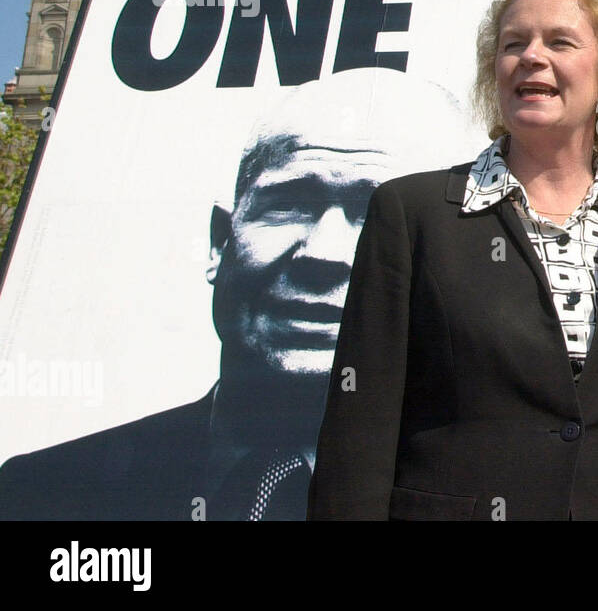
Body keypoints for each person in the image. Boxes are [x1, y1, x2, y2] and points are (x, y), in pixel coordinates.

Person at [307, 0, 598, 521]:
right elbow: (360, 432)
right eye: (513, 43)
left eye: (560, 42)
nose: (532, 57)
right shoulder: (411, 215)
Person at [0, 68, 471, 520]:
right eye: (290, 204)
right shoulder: (41, 489)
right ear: (220, 240)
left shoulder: (488, 494)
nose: (323, 253)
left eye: (379, 215)